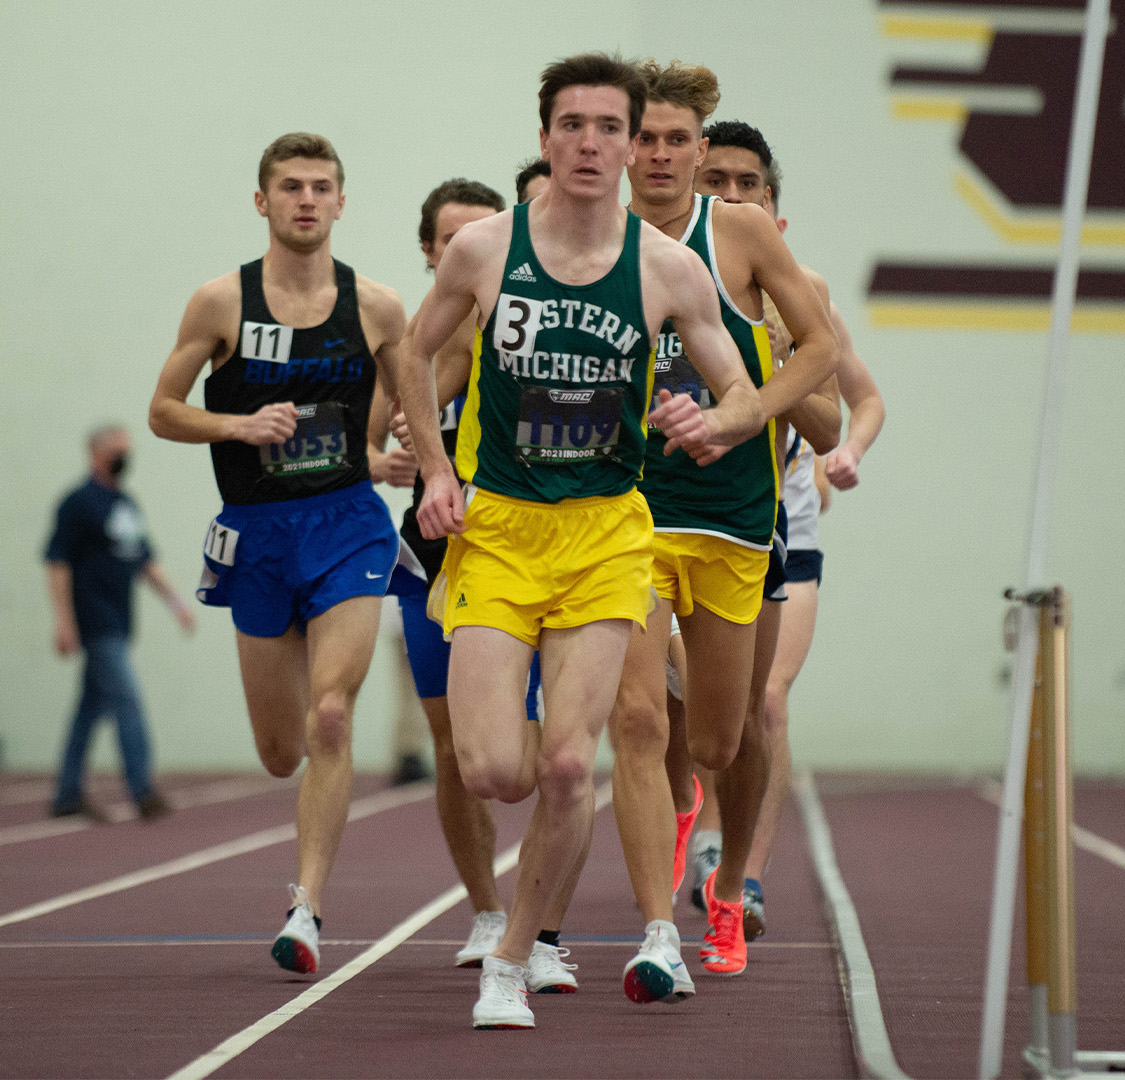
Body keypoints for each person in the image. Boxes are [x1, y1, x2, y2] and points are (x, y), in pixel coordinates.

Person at [396, 52, 766, 1029]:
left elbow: (738, 388)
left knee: (569, 766)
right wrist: (435, 469)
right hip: (501, 531)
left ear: (633, 145)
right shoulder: (485, 250)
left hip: (607, 535)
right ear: (546, 137)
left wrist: (710, 420)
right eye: (574, 125)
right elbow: (412, 352)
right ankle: (526, 881)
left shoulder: (668, 268)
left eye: (611, 127)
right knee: (490, 769)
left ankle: (512, 959)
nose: (592, 144)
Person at [148, 132, 409, 977]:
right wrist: (238, 425)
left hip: (348, 525)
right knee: (279, 752)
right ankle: (303, 862)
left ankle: (307, 907)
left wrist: (413, 458)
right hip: (257, 533)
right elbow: (162, 410)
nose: (306, 200)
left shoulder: (377, 306)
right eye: (291, 186)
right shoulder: (220, 302)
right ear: (262, 201)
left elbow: (420, 390)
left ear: (342, 202)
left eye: (321, 186)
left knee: (331, 714)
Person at [614, 62, 843, 983]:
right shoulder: (588, 236)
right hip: (625, 515)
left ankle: (732, 880)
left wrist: (750, 410)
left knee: (724, 737)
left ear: (697, 149)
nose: (659, 154)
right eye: (644, 137)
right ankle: (656, 931)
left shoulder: (739, 235)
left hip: (736, 520)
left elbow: (825, 358)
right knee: (637, 720)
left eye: (677, 140)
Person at [365, 177, 571, 989]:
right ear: (431, 252)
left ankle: (542, 927)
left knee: (550, 746)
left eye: (482, 232)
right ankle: (489, 909)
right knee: (453, 746)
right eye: (451, 238)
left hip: (527, 550)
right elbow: (371, 434)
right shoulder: (417, 343)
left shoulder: (531, 325)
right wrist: (385, 459)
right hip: (433, 554)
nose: (469, 247)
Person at [694, 124, 887, 942]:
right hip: (679, 515)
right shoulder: (663, 273)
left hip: (780, 518)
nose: (733, 197)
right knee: (690, 711)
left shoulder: (802, 293)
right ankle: (696, 825)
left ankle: (742, 876)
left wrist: (844, 454)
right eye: (717, 181)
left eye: (751, 185)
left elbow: (858, 403)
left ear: (775, 209)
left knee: (765, 699)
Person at [43, 426, 195, 821]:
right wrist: (64, 621)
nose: (125, 456)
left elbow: (146, 561)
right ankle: (142, 789)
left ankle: (67, 794)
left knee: (89, 708)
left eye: (127, 449)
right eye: (117, 449)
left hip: (121, 622)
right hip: (95, 622)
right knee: (127, 699)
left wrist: (177, 603)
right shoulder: (77, 503)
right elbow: (57, 563)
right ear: (95, 452)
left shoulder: (126, 504)